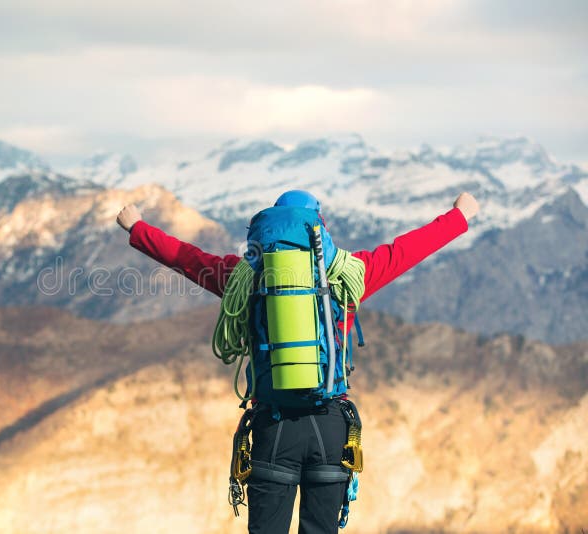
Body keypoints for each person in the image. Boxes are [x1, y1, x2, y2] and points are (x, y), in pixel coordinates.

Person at [116, 191, 479, 534]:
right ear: (320, 228)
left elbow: (186, 257)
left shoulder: (244, 277)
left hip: (273, 426)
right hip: (331, 425)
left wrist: (138, 228)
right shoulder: (348, 274)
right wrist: (459, 216)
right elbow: (408, 249)